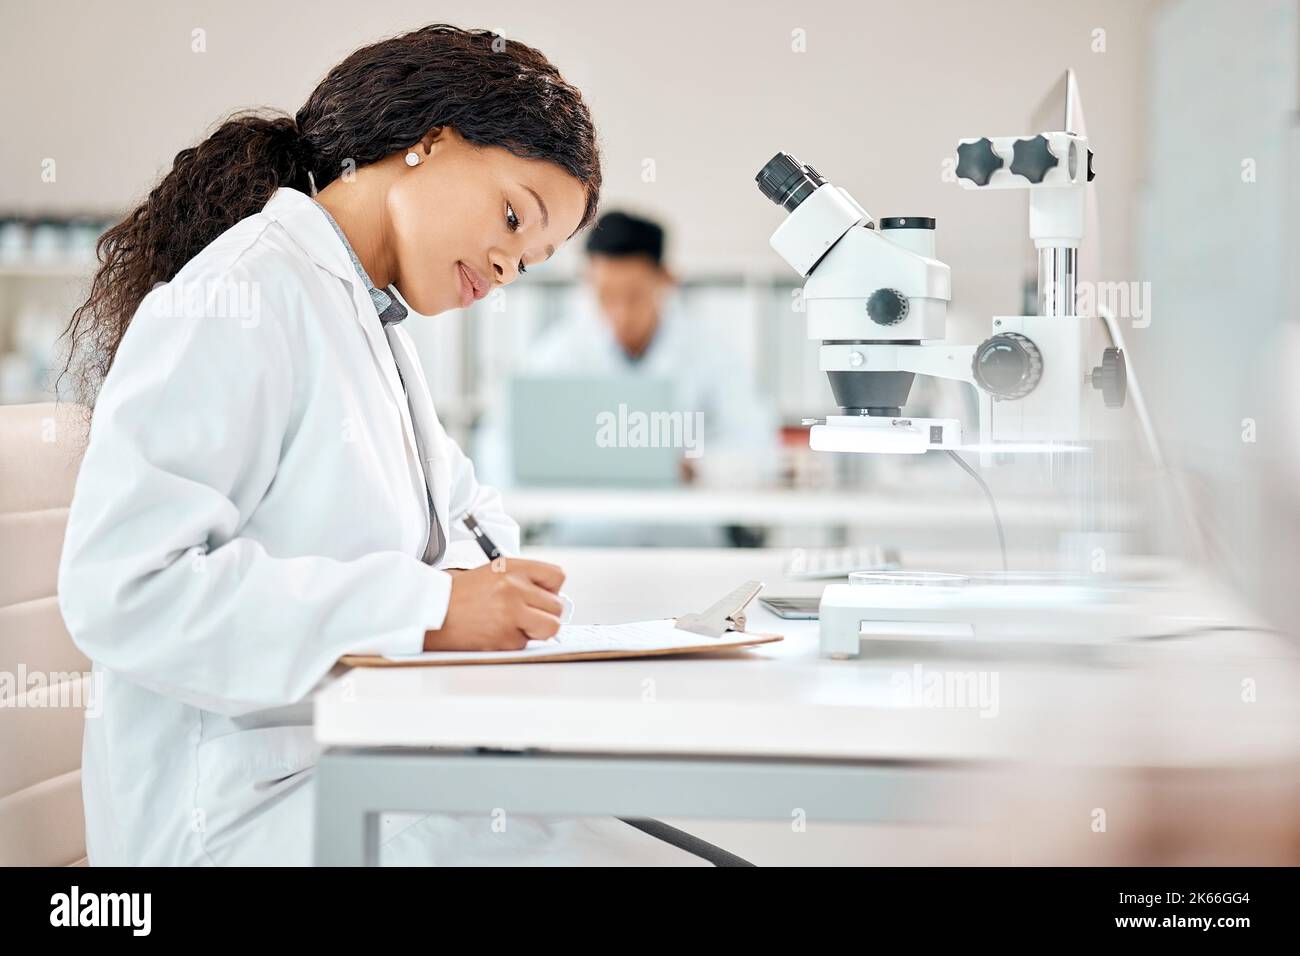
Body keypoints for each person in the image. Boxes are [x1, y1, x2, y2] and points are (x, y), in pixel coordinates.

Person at [55, 24, 707, 866]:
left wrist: (489, 593)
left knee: (610, 830)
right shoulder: (242, 294)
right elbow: (123, 591)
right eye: (514, 217)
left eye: (532, 260)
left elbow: (462, 518)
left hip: (346, 761)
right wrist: (431, 612)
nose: (509, 267)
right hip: (233, 815)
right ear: (428, 142)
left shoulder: (370, 319)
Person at [475, 211, 779, 545]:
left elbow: (759, 448)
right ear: (588, 282)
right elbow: (498, 447)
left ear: (667, 279)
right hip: (586, 538)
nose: (620, 314)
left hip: (687, 538)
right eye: (606, 296)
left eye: (634, 296)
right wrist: (559, 470)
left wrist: (693, 468)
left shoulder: (713, 353)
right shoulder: (558, 353)